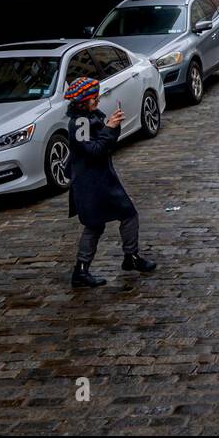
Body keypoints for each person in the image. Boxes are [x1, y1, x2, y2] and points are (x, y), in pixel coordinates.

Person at [64, 77, 156, 288]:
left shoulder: (89, 117)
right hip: (92, 183)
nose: (97, 99)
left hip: (100, 179)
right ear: (83, 102)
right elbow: (93, 151)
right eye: (93, 97)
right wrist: (110, 127)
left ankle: (125, 258)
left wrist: (110, 125)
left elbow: (103, 145)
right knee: (106, 221)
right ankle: (86, 270)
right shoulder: (80, 122)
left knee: (114, 219)